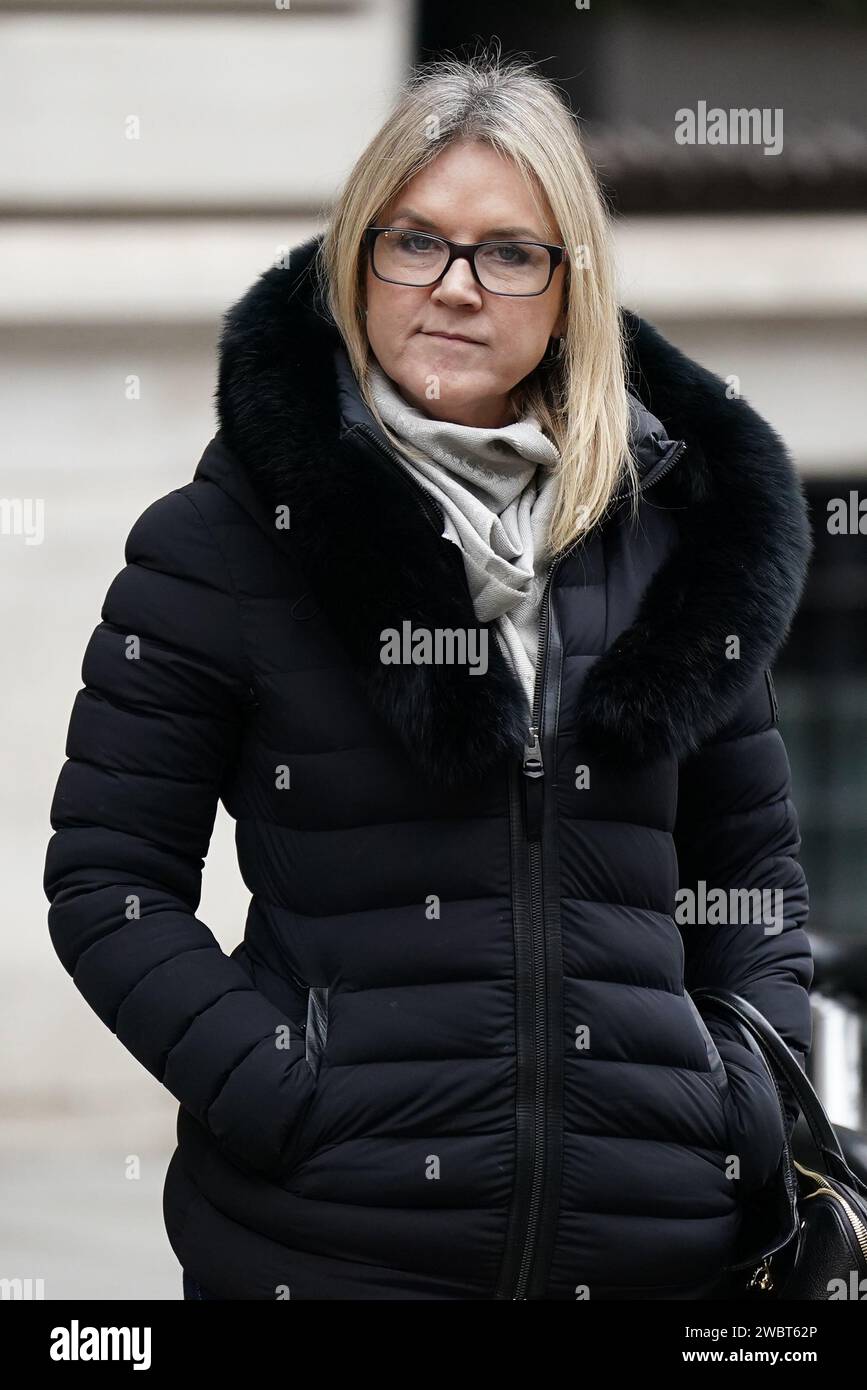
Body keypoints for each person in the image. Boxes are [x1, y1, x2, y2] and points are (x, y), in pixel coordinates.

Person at [43, 51, 814, 1301]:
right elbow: (108, 880)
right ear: (357, 261)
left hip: (656, 1252)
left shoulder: (683, 542)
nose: (455, 288)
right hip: (327, 1246)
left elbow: (755, 884)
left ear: (569, 291)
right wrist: (283, 1093)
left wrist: (738, 1100)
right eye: (416, 243)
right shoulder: (227, 541)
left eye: (509, 252)